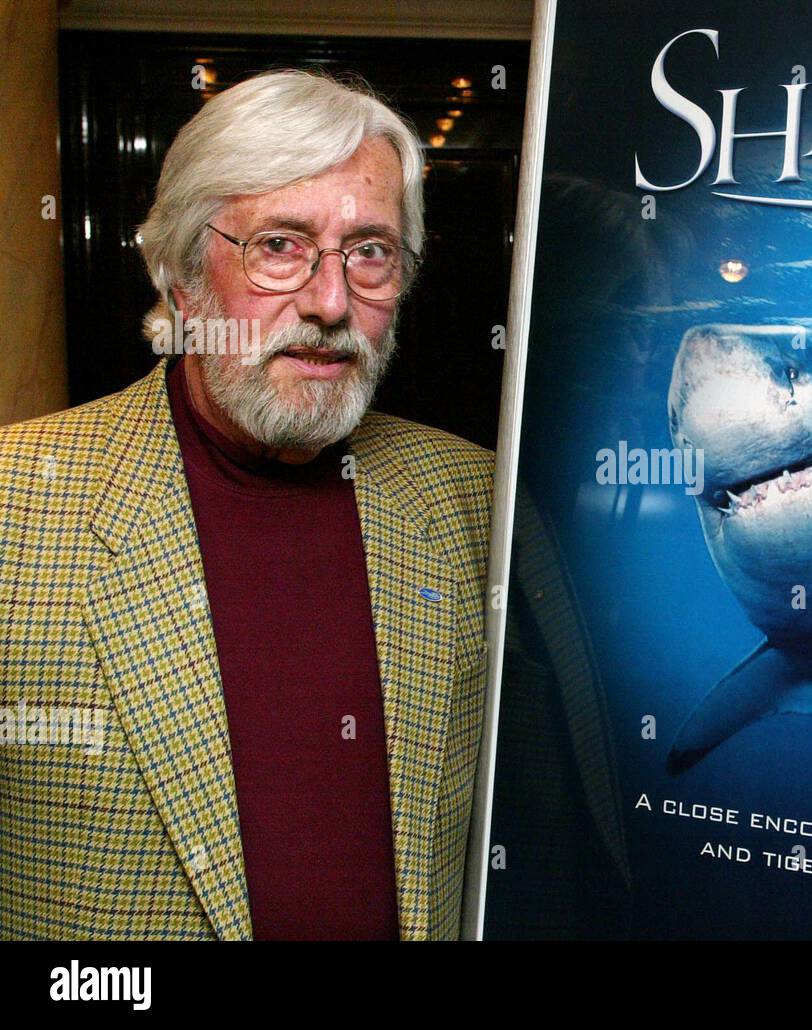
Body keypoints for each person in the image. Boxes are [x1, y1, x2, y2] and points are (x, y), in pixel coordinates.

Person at [0, 70, 494, 940]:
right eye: (280, 245)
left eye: (370, 250)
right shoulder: (17, 505)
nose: (330, 303)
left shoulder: (476, 500)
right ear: (184, 277)